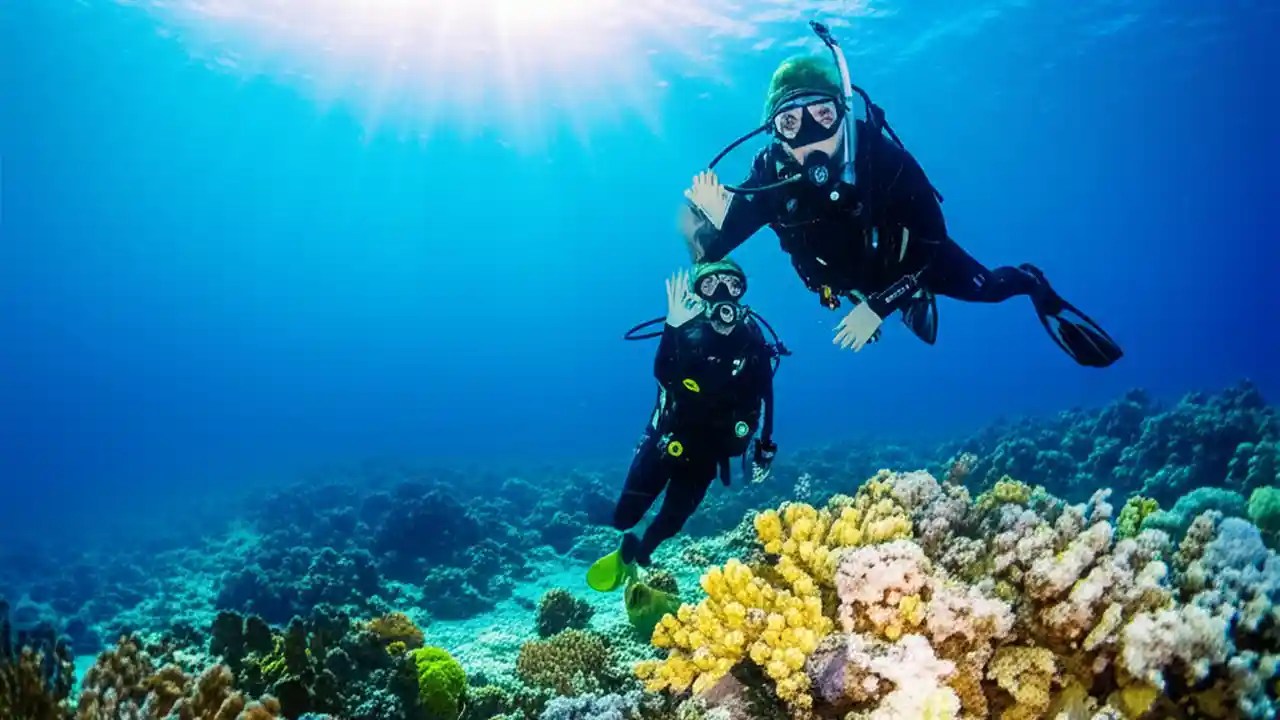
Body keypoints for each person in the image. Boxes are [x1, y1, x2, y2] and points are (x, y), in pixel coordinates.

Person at [681, 21, 1123, 368]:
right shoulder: (769, 177)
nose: (811, 138)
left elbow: (933, 238)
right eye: (791, 124)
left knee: (986, 287)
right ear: (774, 134)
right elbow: (708, 254)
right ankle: (902, 298)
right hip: (845, 280)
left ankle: (1031, 282)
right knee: (849, 284)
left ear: (843, 112)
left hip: (912, 260)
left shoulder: (880, 157)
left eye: (822, 115)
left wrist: (881, 304)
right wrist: (703, 224)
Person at [587, 260, 781, 592]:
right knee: (623, 517)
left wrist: (765, 445)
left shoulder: (752, 341)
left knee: (671, 523)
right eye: (710, 285)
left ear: (741, 292)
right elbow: (663, 374)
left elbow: (766, 393)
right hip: (667, 441)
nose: (722, 294)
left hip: (708, 456)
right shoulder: (687, 331)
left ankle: (639, 556)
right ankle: (625, 535)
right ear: (699, 294)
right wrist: (672, 326)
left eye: (732, 285)